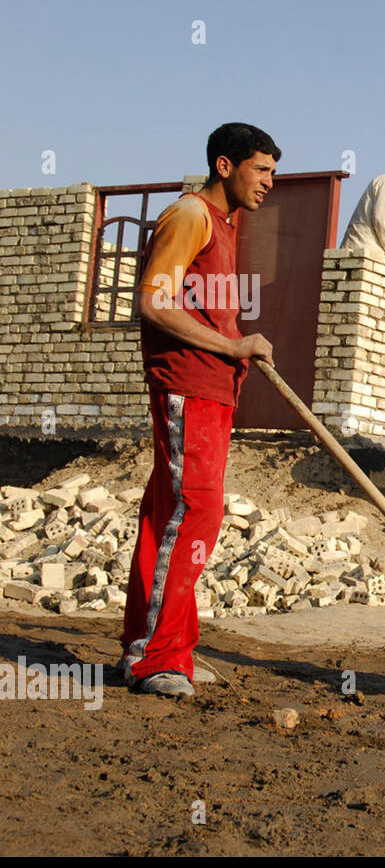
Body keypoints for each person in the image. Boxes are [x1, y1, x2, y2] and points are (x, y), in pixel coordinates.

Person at [122, 123, 280, 698]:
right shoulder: (189, 215)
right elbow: (153, 301)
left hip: (212, 390)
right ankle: (156, 657)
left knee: (168, 511)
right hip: (187, 386)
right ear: (224, 165)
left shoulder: (225, 225)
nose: (269, 182)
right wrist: (234, 346)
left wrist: (238, 348)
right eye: (260, 170)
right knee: (195, 513)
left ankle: (165, 648)